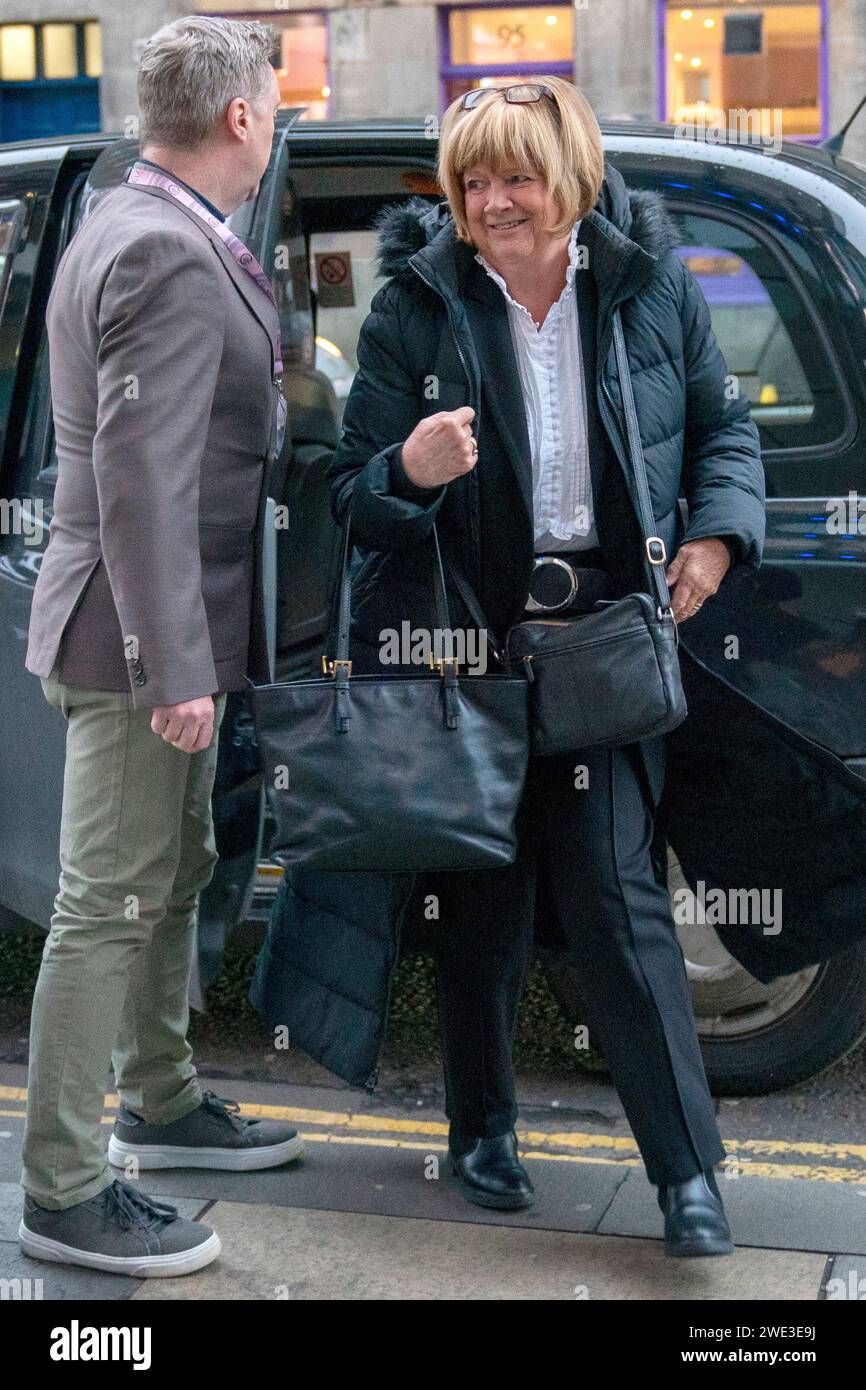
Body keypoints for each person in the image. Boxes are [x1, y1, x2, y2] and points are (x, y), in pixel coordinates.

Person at [323, 77, 765, 1255]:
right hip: (466, 649)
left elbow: (722, 428)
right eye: (471, 181)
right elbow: (350, 495)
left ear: (569, 178)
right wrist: (407, 472)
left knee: (618, 903)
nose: (492, 202)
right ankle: (481, 1131)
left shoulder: (647, 286)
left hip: (603, 642)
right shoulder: (417, 304)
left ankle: (685, 1175)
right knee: (480, 899)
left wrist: (717, 538)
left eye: (516, 177)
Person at [20, 16, 299, 1279]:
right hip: (134, 639)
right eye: (273, 107)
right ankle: (65, 1188)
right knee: (109, 903)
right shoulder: (162, 249)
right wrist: (173, 666)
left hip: (152, 626)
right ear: (240, 115)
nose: (274, 125)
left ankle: (162, 1097)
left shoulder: (136, 220)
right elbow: (139, 481)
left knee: (172, 868)